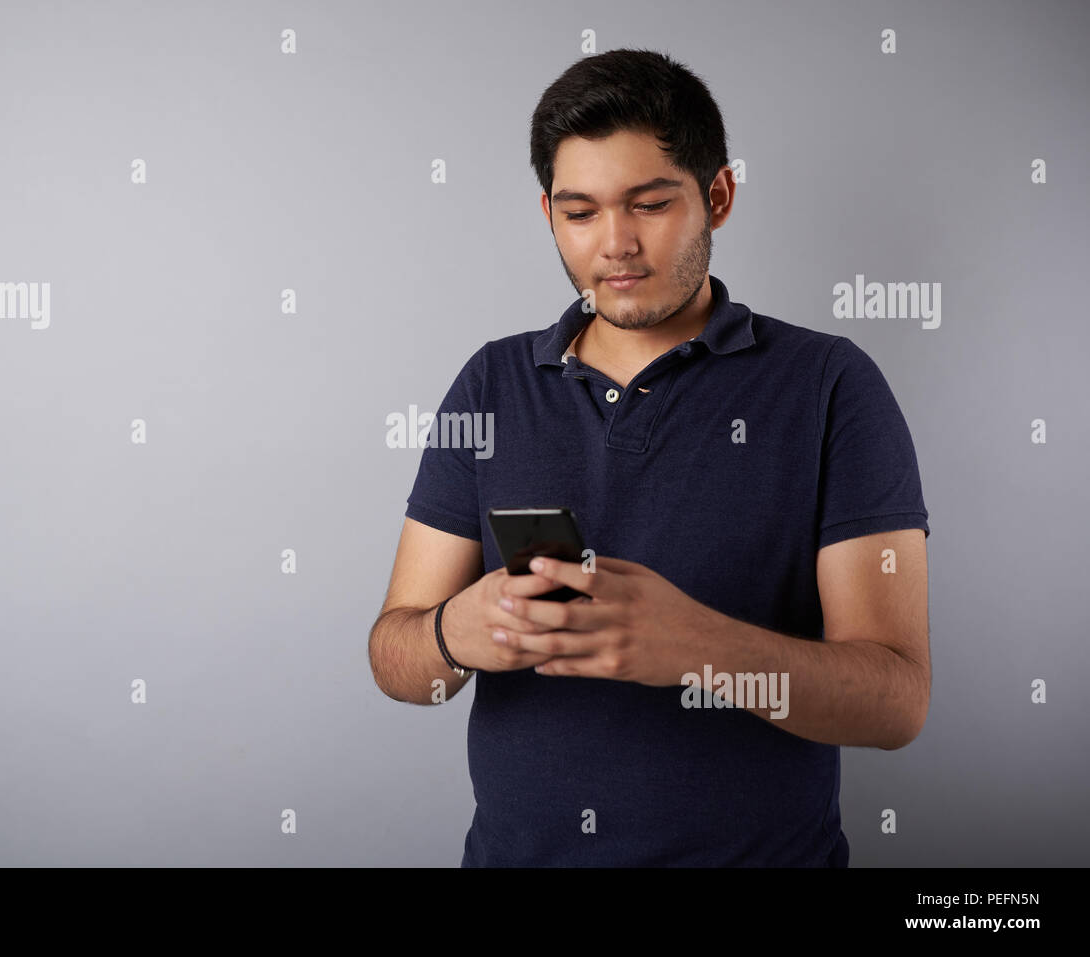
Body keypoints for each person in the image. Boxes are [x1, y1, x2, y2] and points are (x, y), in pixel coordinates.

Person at [367, 48, 930, 867]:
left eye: (650, 203)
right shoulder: (491, 382)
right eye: (581, 212)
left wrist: (699, 647)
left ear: (719, 196)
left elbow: (896, 702)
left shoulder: (830, 385)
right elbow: (398, 658)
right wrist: (457, 632)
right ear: (549, 215)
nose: (616, 245)